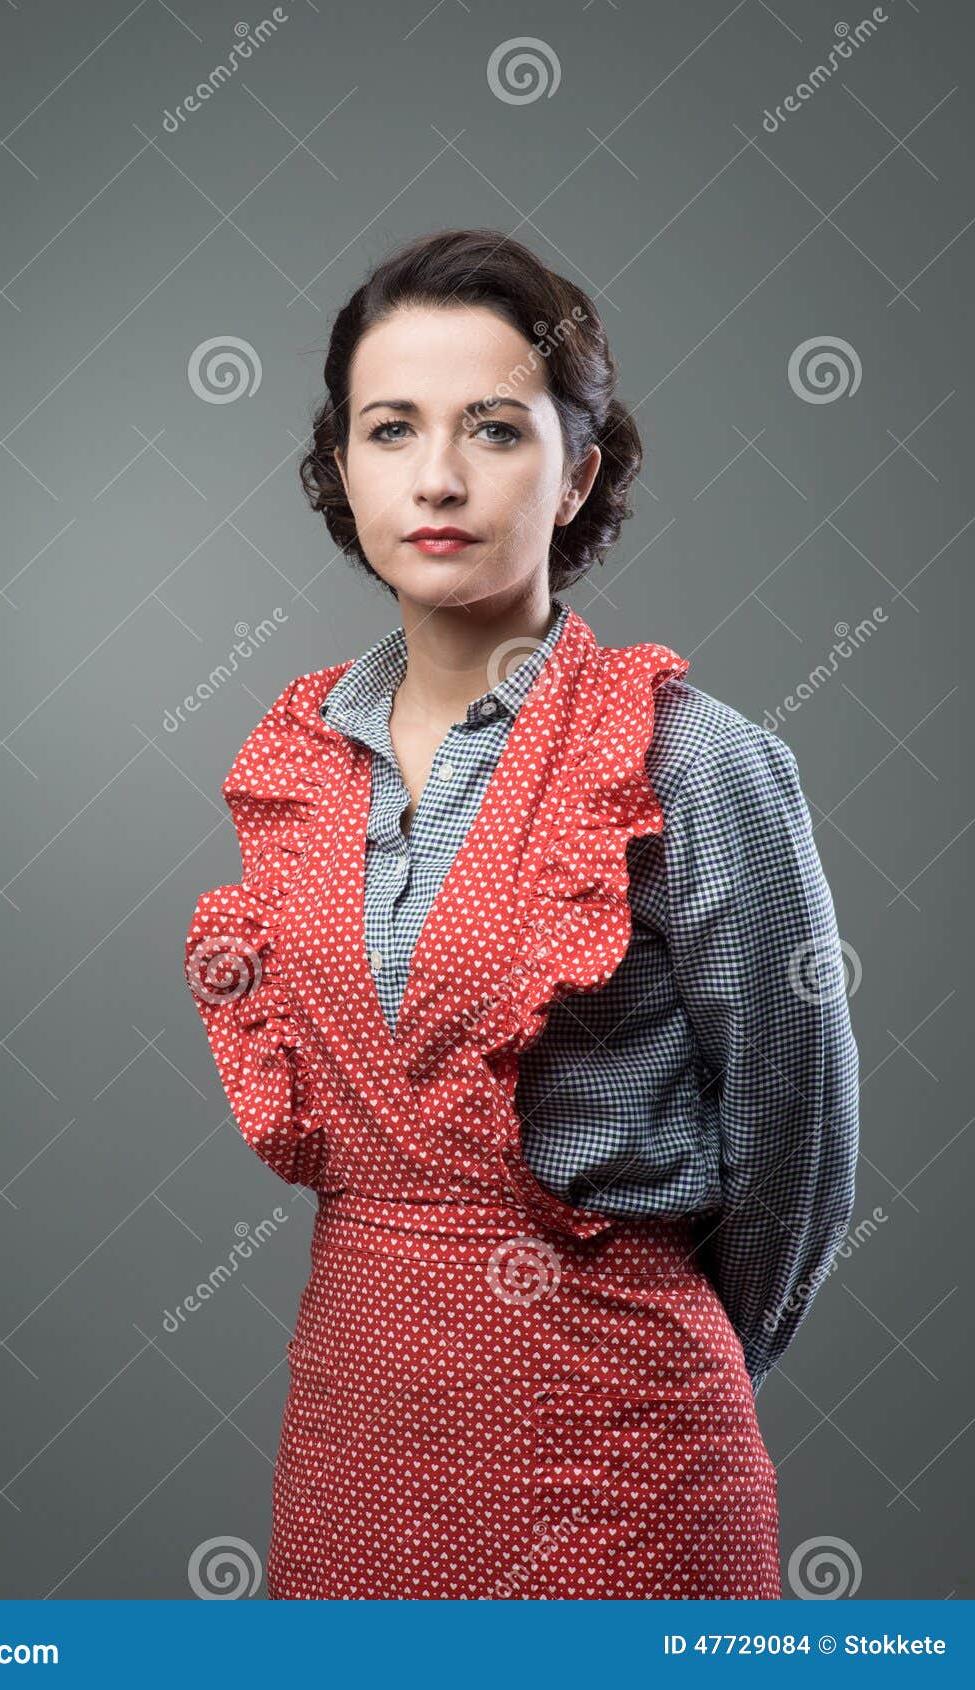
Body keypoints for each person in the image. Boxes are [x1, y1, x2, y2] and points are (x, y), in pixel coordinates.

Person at [185, 227, 860, 1600]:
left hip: (623, 1453)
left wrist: (656, 1349)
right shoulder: (296, 752)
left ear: (578, 476)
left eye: (495, 428)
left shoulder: (688, 758)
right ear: (343, 468)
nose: (438, 476)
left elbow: (797, 1147)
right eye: (392, 429)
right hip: (352, 1437)